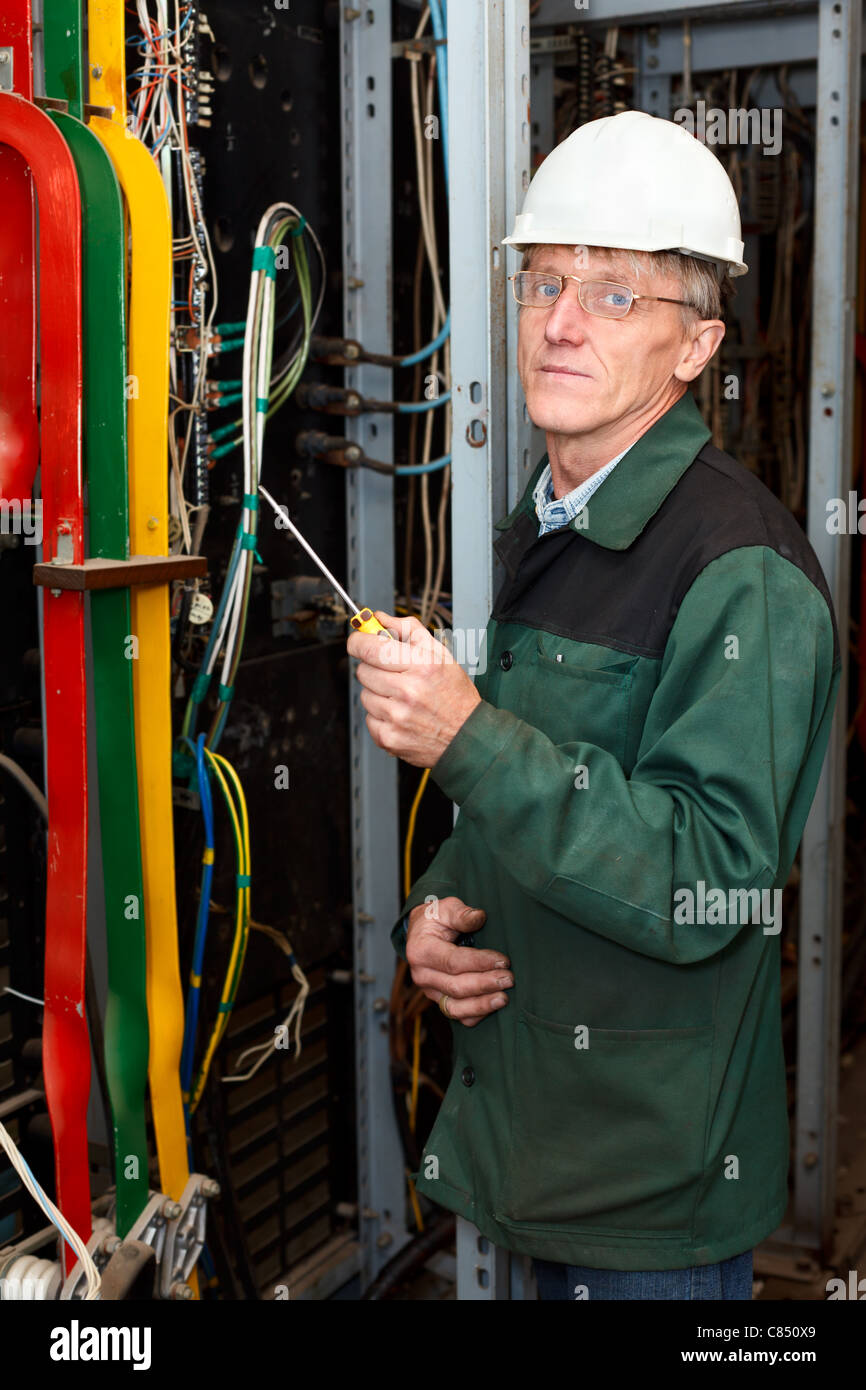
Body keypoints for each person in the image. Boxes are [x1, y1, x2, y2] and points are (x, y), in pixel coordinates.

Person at [346, 110, 840, 1301]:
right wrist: (434, 918)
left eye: (615, 297)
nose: (559, 322)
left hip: (646, 1189)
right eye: (544, 282)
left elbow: (704, 877)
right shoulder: (547, 519)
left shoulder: (740, 572)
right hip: (526, 1143)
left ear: (694, 348)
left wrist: (465, 735)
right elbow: (525, 794)